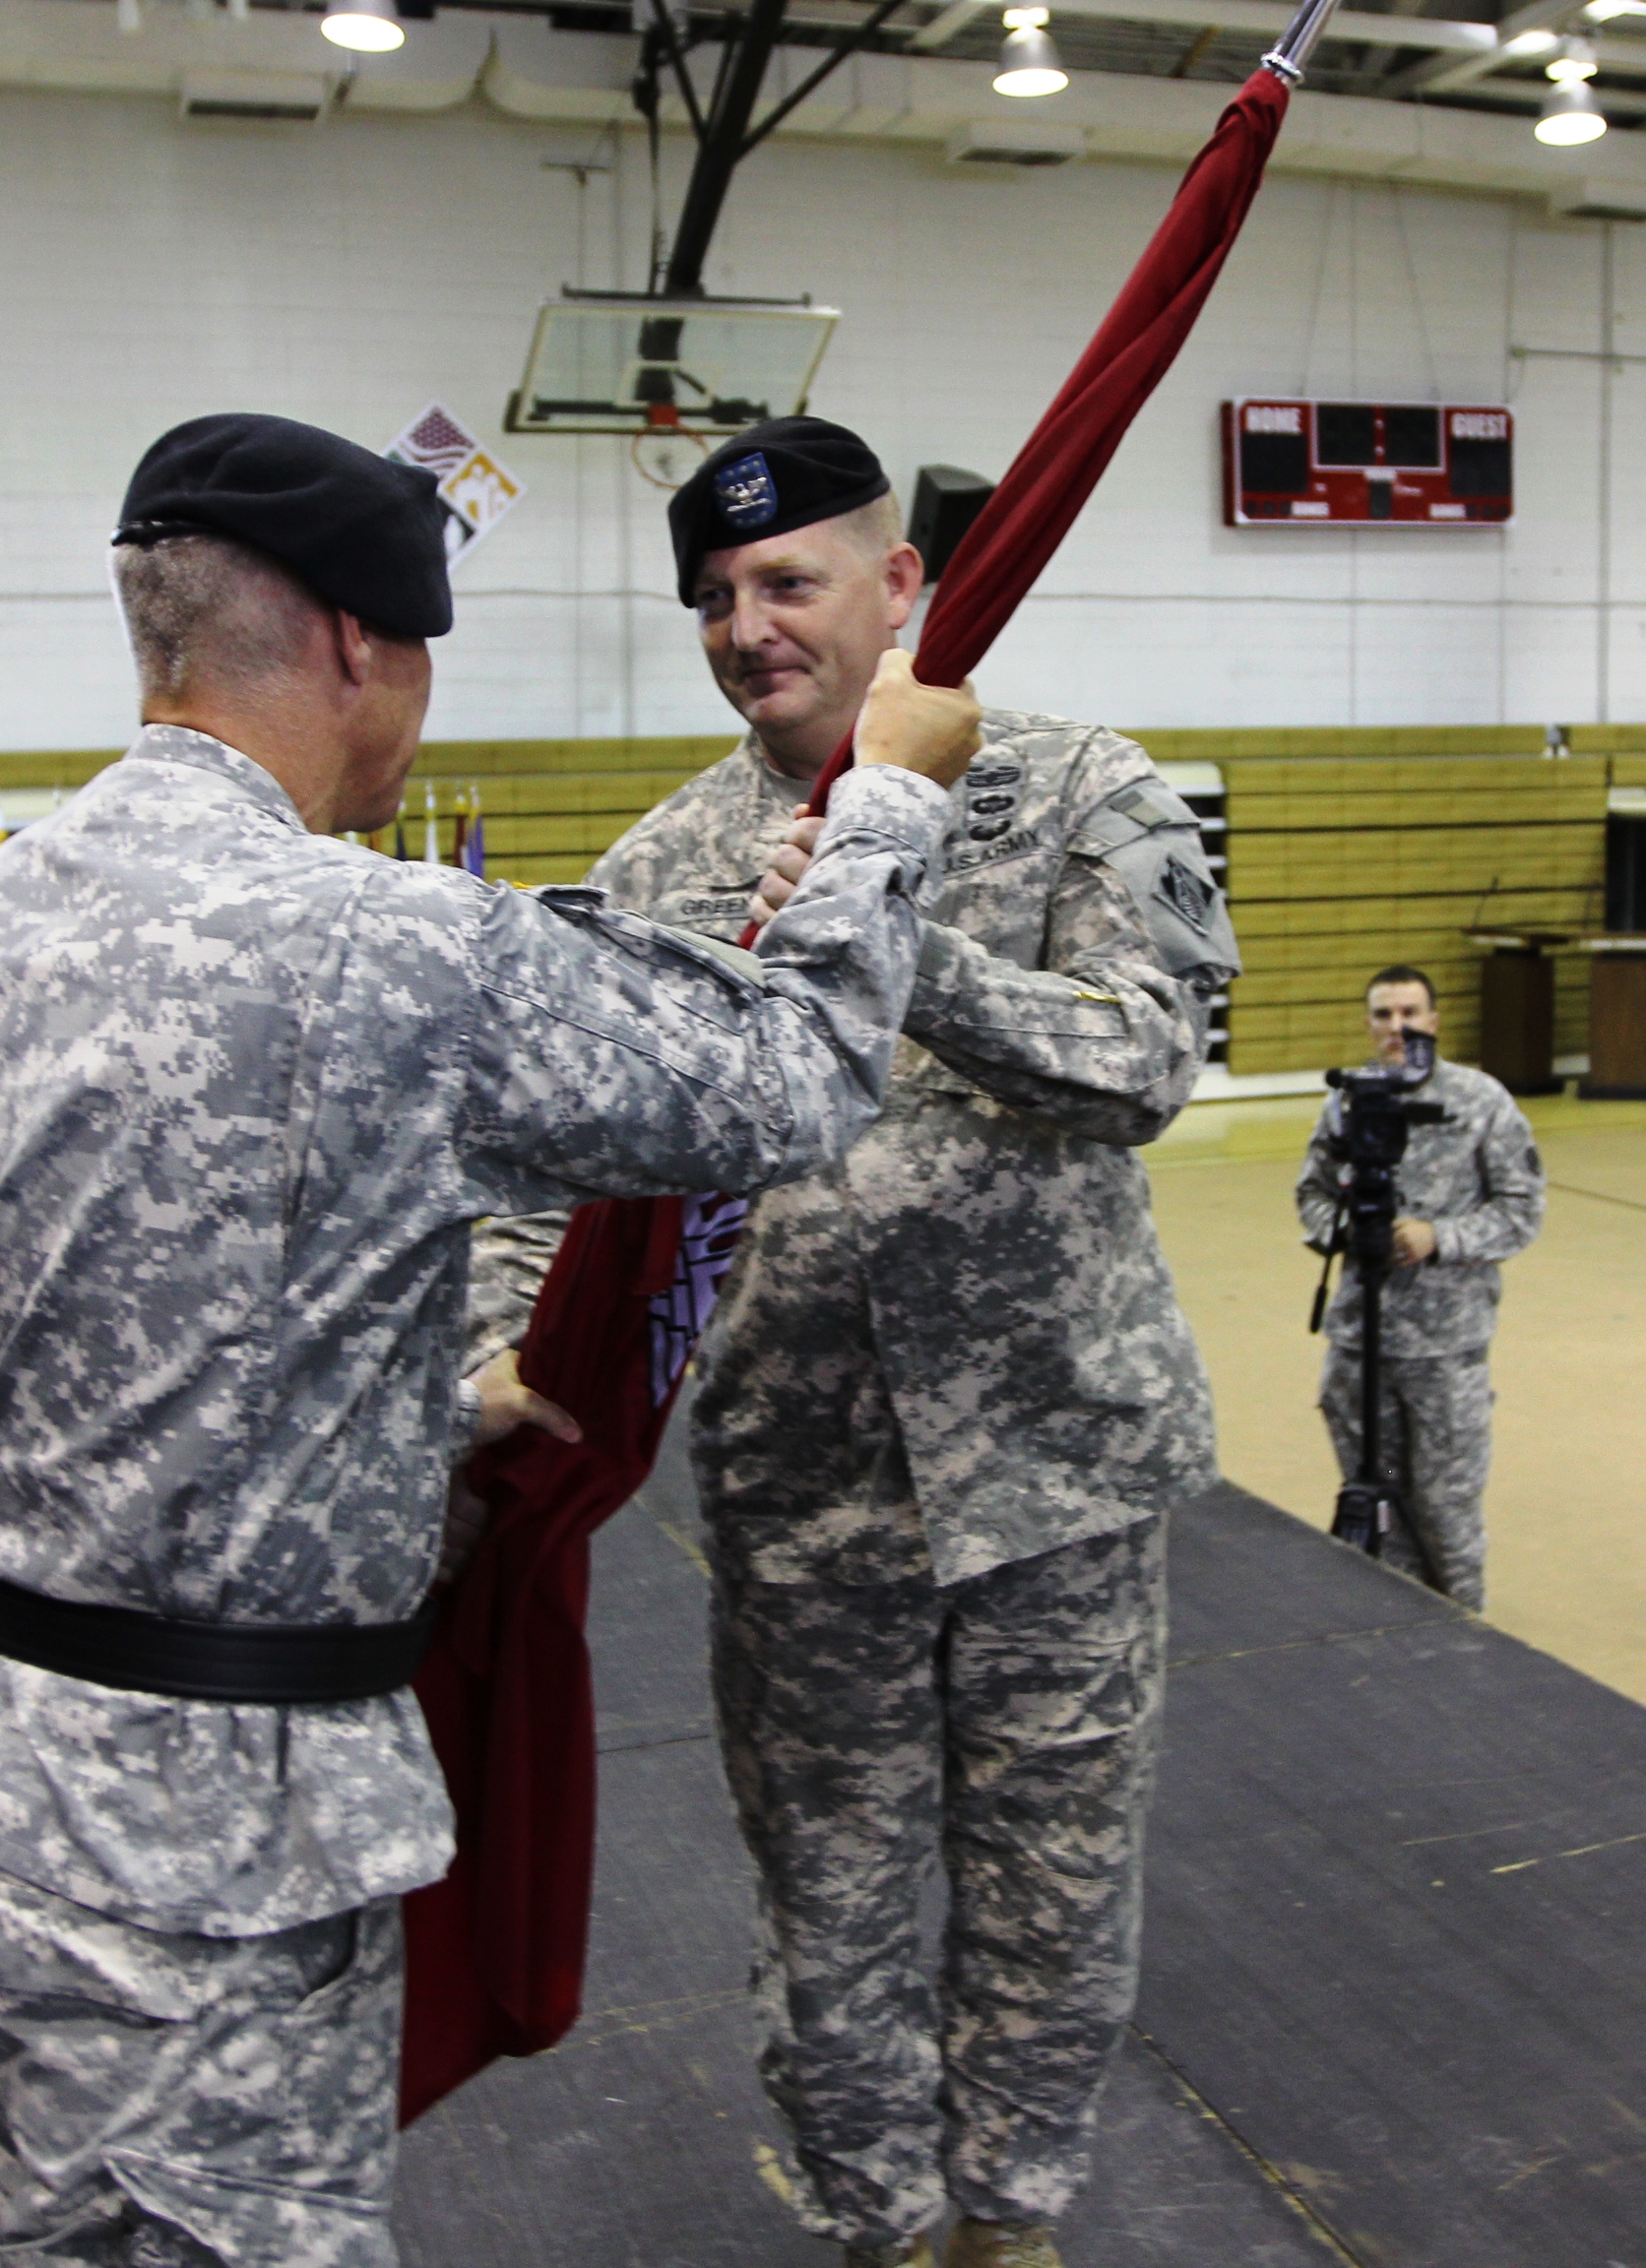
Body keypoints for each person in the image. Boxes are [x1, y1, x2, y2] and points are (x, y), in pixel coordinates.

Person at [0, 410, 980, 2268]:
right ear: (362, 644)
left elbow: (121, 1311)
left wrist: (410, 1403)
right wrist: (891, 805)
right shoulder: (379, 941)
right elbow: (786, 1080)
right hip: (193, 1835)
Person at [474, 417, 1237, 2268]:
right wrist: (500, 1335)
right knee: (832, 1902)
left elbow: (1148, 1059)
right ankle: (880, 2227)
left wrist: (887, 920)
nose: (748, 626)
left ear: (900, 585)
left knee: (1053, 1894)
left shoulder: (1073, 789)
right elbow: (544, 1163)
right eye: (717, 598)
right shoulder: (661, 867)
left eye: (788, 579)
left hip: (1060, 1468)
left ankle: (1008, 2220)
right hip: (805, 1496)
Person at [1294, 966, 1543, 1610]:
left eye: (1409, 1013)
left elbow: (1521, 1212)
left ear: (1435, 1019)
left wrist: (1441, 1238)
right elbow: (1313, 1196)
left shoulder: (1481, 1101)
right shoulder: (1347, 1099)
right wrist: (1348, 1233)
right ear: (1369, 1024)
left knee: (1444, 1506)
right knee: (1372, 1494)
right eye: (1383, 1015)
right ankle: (1401, 1624)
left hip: (1445, 1345)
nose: (1397, 1027)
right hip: (1360, 1337)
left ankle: (1465, 1633)